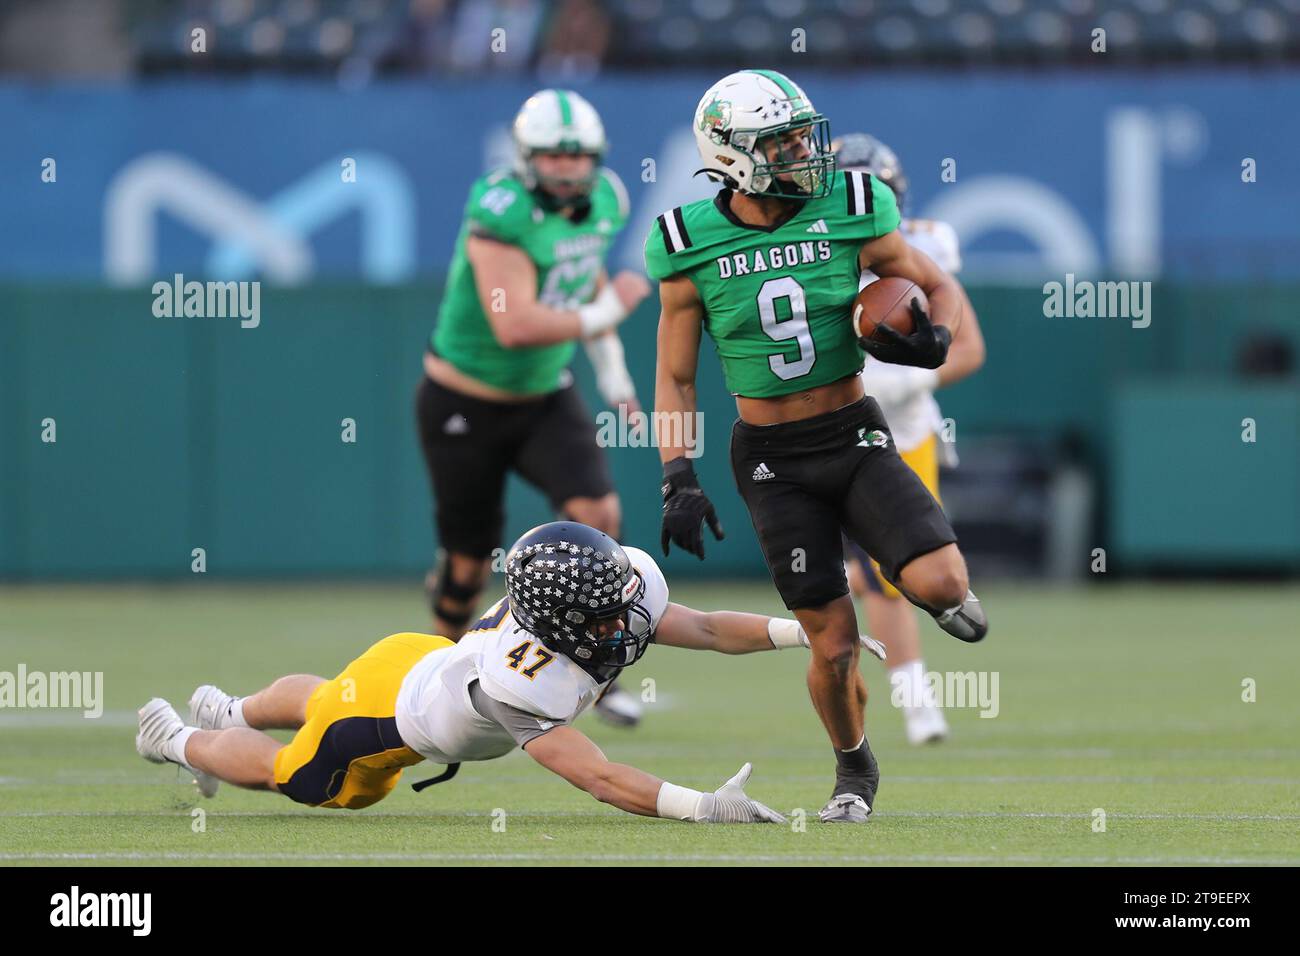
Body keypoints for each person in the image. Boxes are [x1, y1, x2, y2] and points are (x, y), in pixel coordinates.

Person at [648, 70, 988, 823]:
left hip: (855, 431)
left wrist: (935, 340)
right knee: (832, 645)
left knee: (939, 583)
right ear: (734, 155)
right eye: (783, 141)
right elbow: (675, 378)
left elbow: (933, 282)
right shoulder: (684, 242)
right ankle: (854, 770)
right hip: (772, 461)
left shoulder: (854, 203)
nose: (805, 150)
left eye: (803, 133)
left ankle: (936, 598)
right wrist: (677, 472)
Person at [137, 521, 885, 822]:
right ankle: (174, 738)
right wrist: (702, 807)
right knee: (299, 776)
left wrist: (808, 634)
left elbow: (710, 627)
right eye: (603, 609)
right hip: (386, 724)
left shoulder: (604, 592)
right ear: (560, 620)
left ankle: (233, 707)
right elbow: (596, 774)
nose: (626, 612)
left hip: (412, 664)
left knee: (333, 693)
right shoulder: (521, 685)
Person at [416, 88, 648, 725]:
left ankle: (600, 667)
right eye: (553, 156)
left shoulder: (608, 199)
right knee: (466, 566)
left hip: (546, 394)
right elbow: (513, 324)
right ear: (526, 158)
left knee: (598, 513)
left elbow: (585, 278)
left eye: (579, 156)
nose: (569, 169)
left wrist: (616, 374)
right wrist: (615, 309)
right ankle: (432, 675)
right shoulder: (501, 206)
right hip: (463, 399)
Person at [833, 132, 987, 745]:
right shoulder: (805, 250)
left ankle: (915, 696)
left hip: (903, 432)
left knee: (899, 572)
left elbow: (970, 347)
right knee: (868, 578)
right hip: (829, 424)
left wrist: (907, 385)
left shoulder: (922, 248)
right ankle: (915, 703)